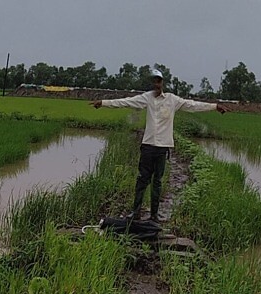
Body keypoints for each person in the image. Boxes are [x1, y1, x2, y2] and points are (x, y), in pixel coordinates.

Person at [91, 72, 228, 222]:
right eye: (154, 82)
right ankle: (135, 212)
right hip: (148, 146)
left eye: (159, 82)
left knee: (157, 181)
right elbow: (126, 102)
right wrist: (103, 103)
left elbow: (193, 105)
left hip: (163, 147)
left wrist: (215, 106)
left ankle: (154, 215)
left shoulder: (172, 100)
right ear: (152, 83)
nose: (156, 85)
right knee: (142, 179)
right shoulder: (146, 98)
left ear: (162, 83)